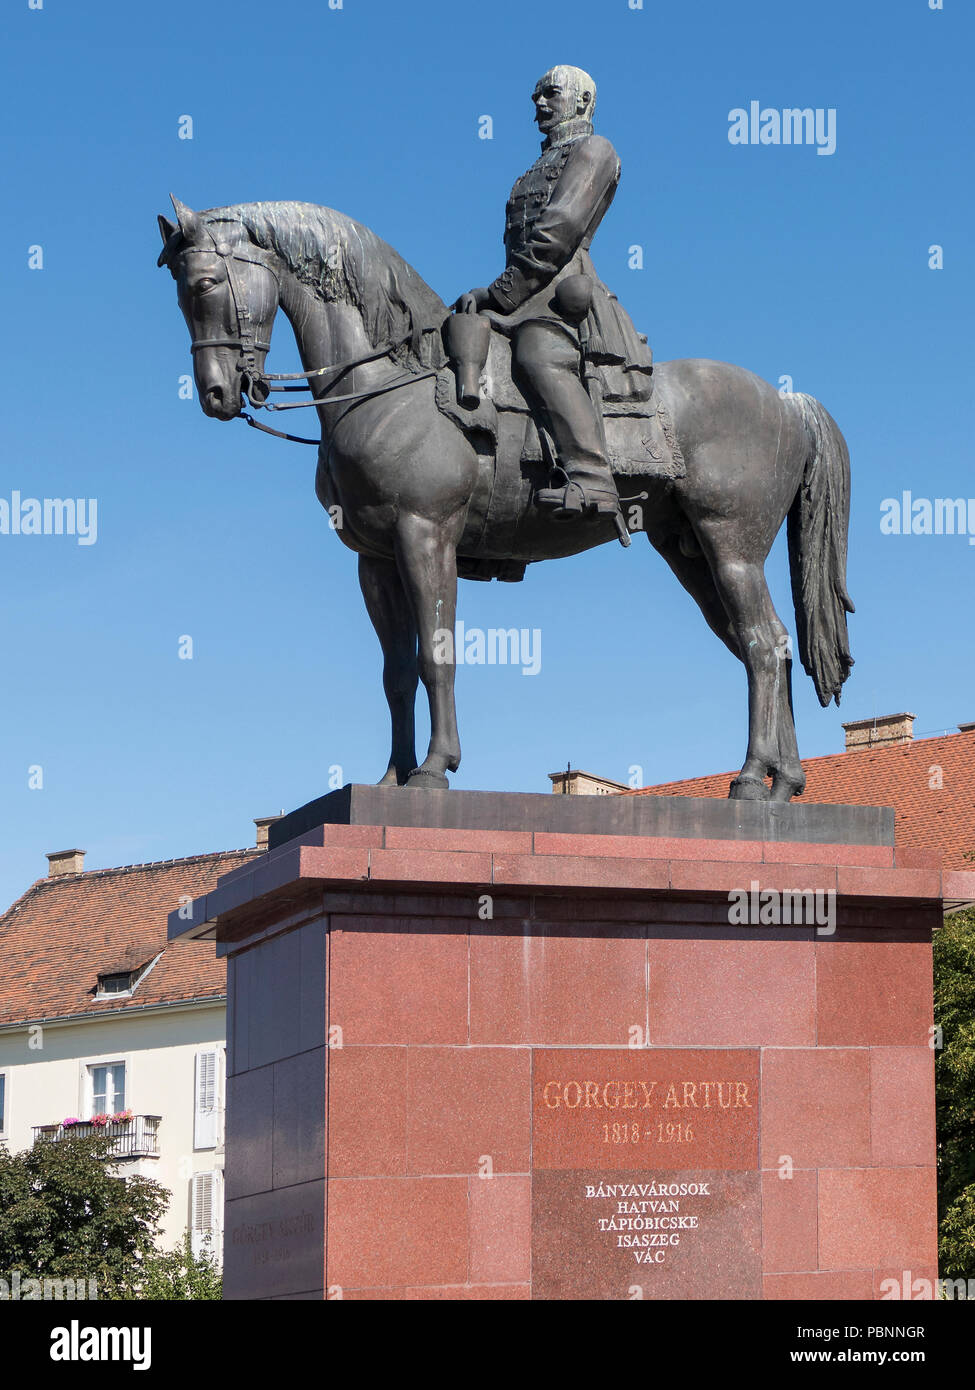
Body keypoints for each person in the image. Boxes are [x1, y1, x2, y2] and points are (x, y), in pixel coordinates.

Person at [455, 64, 653, 521]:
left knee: (537, 354)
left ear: (582, 101)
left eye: (550, 93)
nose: (539, 104)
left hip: (561, 292)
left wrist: (500, 293)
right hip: (524, 290)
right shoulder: (534, 168)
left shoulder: (595, 150)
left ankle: (592, 476)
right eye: (535, 97)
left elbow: (558, 231)